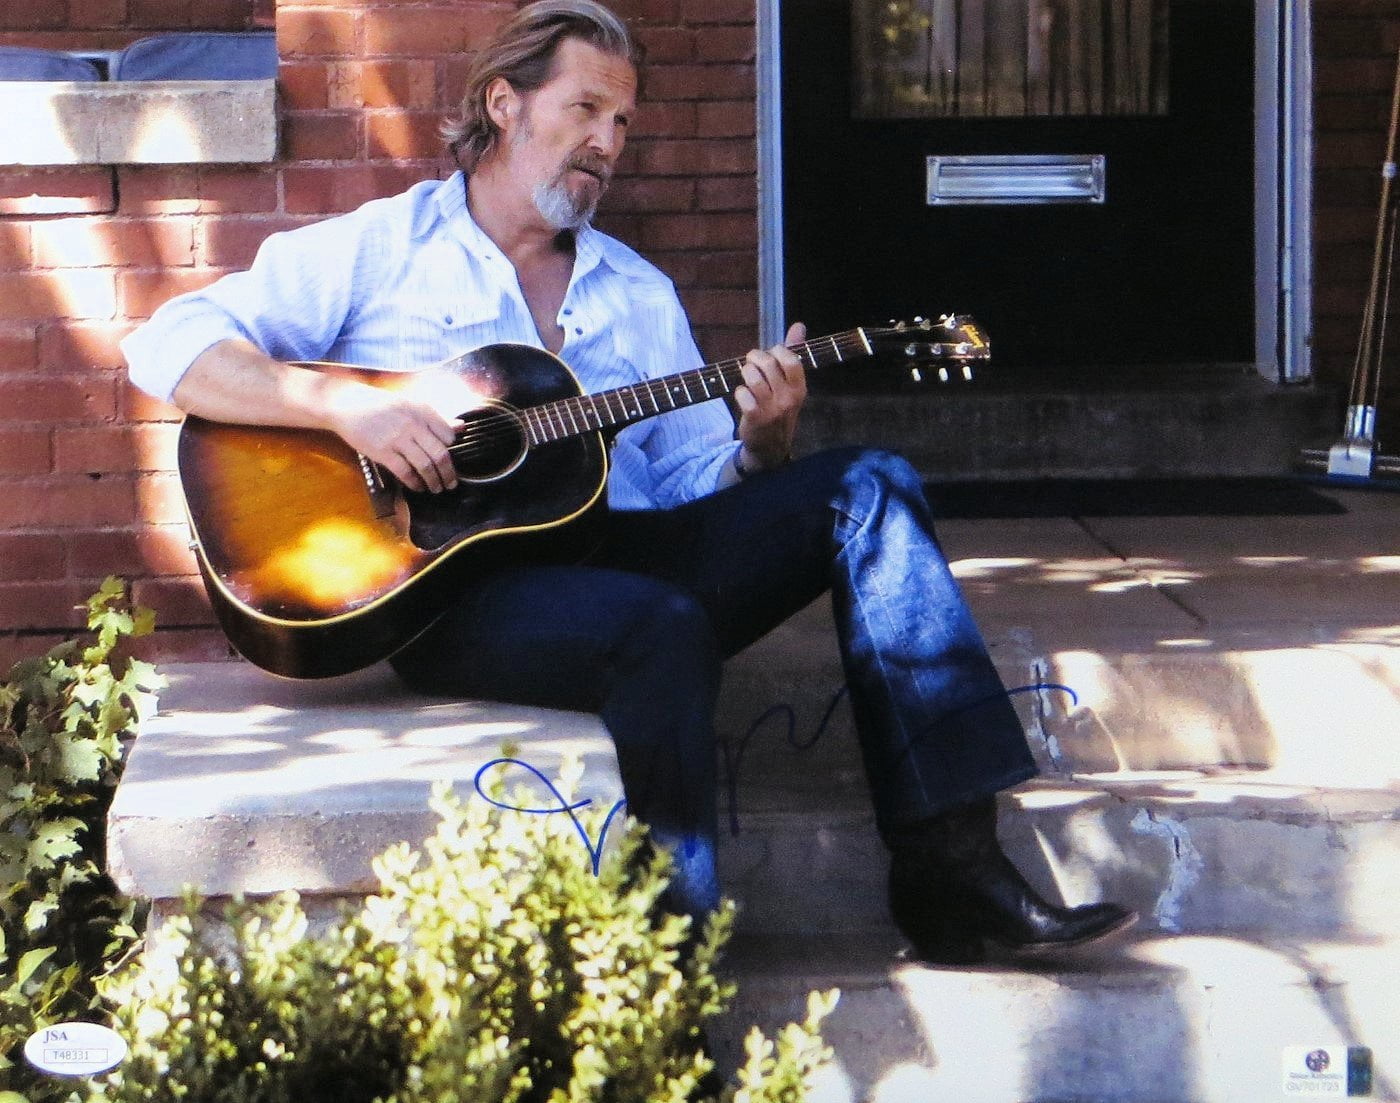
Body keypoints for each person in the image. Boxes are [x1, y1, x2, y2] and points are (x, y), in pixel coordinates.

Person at [122, 0, 1134, 965]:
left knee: (867, 482)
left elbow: (700, 482)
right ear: (503, 105)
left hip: (618, 552)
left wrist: (762, 441)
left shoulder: (635, 292)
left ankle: (951, 873)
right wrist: (345, 409)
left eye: (622, 121)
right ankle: (668, 966)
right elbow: (169, 341)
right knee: (657, 627)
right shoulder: (386, 246)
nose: (608, 139)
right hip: (444, 589)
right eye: (586, 109)